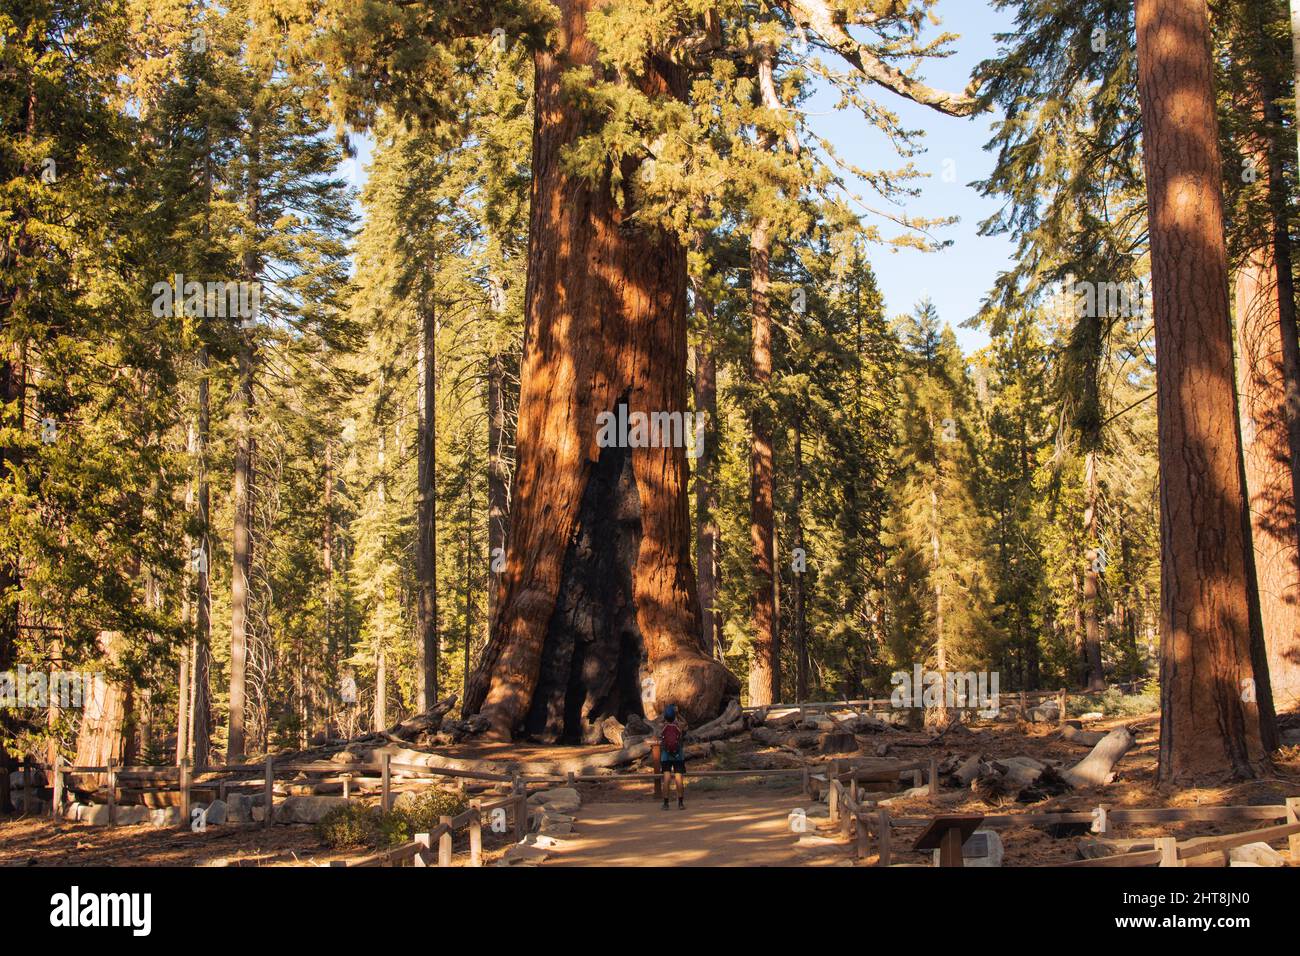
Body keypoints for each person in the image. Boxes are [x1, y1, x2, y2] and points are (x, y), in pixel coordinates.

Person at [659, 703, 687, 809]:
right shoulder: (679, 726)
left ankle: (666, 803)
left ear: (665, 716)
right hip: (678, 755)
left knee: (666, 778)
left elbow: (660, 722)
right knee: (678, 778)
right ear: (674, 716)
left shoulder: (663, 726)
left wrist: (665, 713)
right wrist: (678, 714)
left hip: (666, 755)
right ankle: (680, 803)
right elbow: (685, 723)